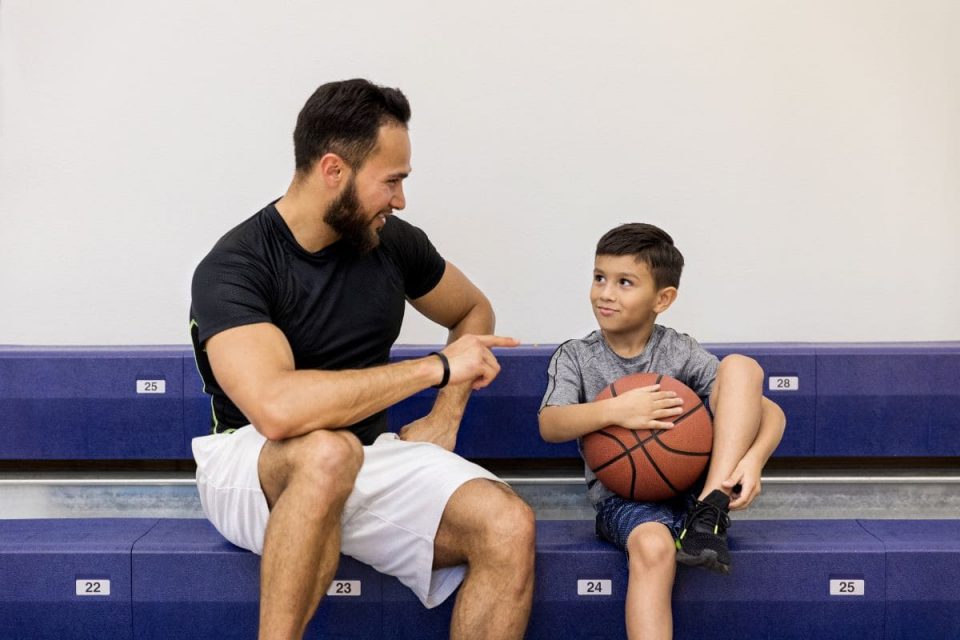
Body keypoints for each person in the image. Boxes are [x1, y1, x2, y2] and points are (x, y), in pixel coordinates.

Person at [189, 79, 535, 640]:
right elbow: (277, 411)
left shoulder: (391, 242)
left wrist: (446, 414)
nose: (400, 200)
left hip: (368, 455)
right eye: (391, 182)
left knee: (508, 523)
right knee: (326, 451)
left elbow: (473, 309)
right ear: (334, 171)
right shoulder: (236, 266)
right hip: (252, 463)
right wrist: (435, 369)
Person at [538, 223, 786, 639]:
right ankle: (704, 519)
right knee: (653, 548)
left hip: (696, 489)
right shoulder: (577, 357)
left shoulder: (678, 350)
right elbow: (550, 424)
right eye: (599, 278)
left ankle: (712, 509)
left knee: (742, 366)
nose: (605, 293)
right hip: (625, 498)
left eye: (624, 282)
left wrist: (752, 461)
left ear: (663, 298)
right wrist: (617, 410)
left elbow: (771, 413)